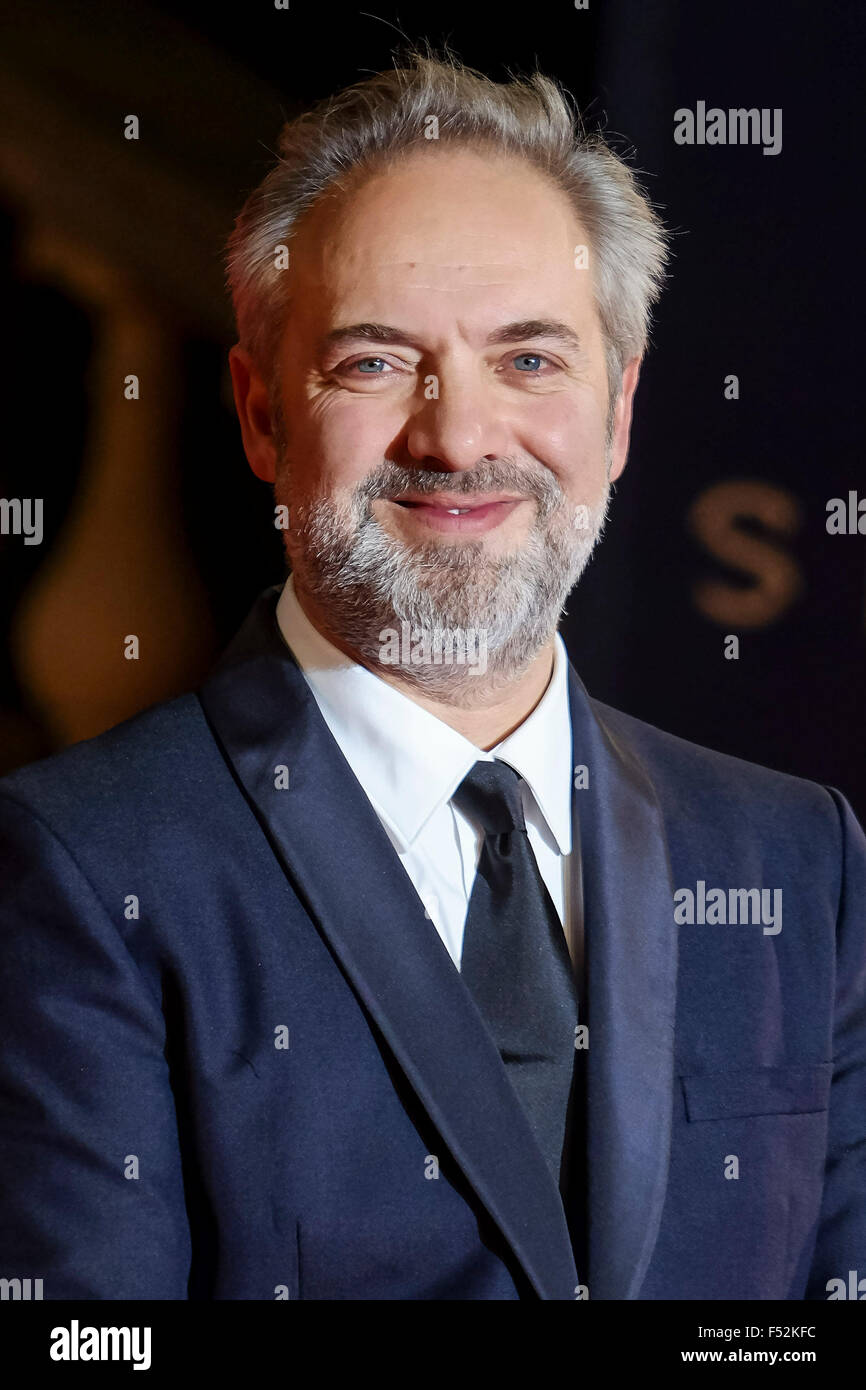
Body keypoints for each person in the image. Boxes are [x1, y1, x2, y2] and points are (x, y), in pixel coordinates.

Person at [1, 49, 863, 1301]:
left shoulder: (793, 859)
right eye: (372, 361)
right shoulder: (80, 868)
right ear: (259, 415)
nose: (456, 436)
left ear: (616, 413)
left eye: (527, 361)